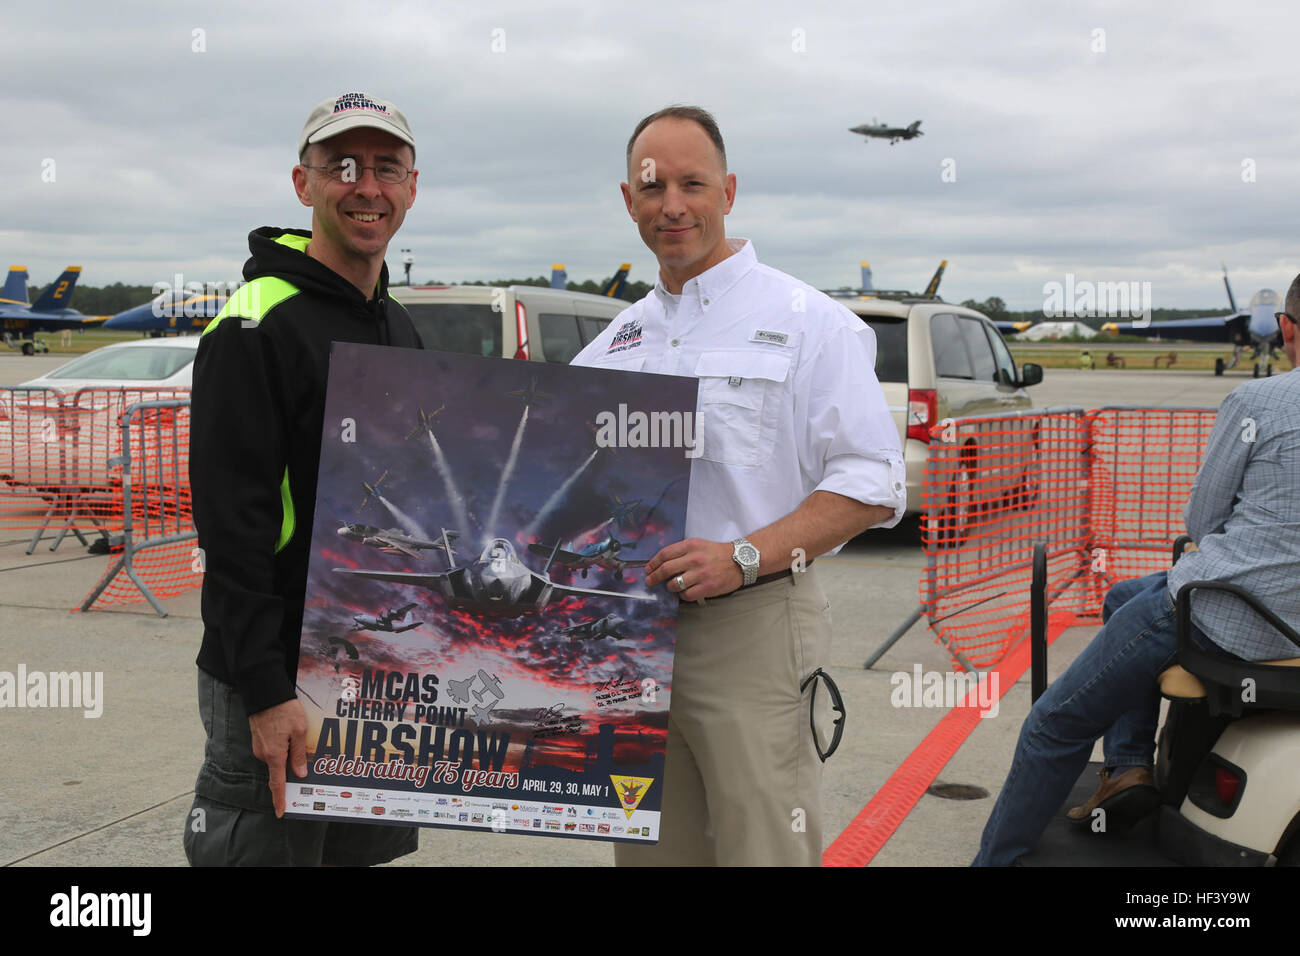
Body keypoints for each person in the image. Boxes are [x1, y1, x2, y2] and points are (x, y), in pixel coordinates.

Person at [571, 106, 905, 866]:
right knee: (652, 848)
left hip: (752, 626)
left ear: (728, 190)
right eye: (653, 188)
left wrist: (744, 556)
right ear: (629, 200)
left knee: (764, 845)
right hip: (631, 637)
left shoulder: (809, 323)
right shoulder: (612, 347)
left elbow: (872, 482)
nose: (673, 206)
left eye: (694, 183)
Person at [974, 276, 1300, 865]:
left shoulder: (1259, 402)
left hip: (1231, 617)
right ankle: (1127, 769)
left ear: (1287, 329)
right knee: (1124, 594)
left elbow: (1202, 521)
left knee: (1053, 727)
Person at [184, 92, 423, 866]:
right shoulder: (257, 322)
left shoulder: (399, 325)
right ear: (304, 182)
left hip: (370, 676)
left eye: (386, 167)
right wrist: (264, 690)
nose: (366, 186)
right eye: (342, 165)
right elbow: (233, 527)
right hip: (279, 677)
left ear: (411, 187)